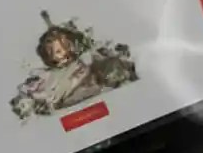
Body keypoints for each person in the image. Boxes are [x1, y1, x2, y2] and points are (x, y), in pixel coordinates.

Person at [10, 11, 138, 121]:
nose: (65, 52)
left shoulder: (83, 60)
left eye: (67, 47)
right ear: (50, 56)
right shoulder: (50, 75)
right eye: (59, 52)